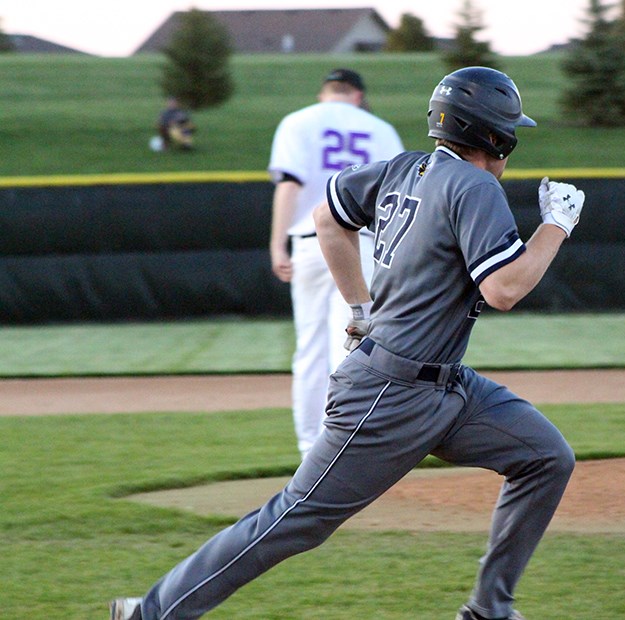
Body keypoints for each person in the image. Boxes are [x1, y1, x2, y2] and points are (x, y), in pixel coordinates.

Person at [109, 66, 584, 620]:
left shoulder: (407, 167)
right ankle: (152, 613)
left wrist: (360, 306)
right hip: (390, 393)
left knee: (545, 457)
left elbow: (326, 217)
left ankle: (488, 609)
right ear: (495, 137)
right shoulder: (475, 186)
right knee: (296, 518)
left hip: (448, 386)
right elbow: (502, 289)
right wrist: (555, 227)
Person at [267, 68, 404, 460]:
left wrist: (278, 244)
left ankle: (309, 447)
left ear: (324, 92)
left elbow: (289, 186)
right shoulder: (380, 129)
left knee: (309, 349)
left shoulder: (296, 122)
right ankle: (348, 444)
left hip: (309, 244)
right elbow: (394, 202)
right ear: (358, 95)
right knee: (354, 345)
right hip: (360, 246)